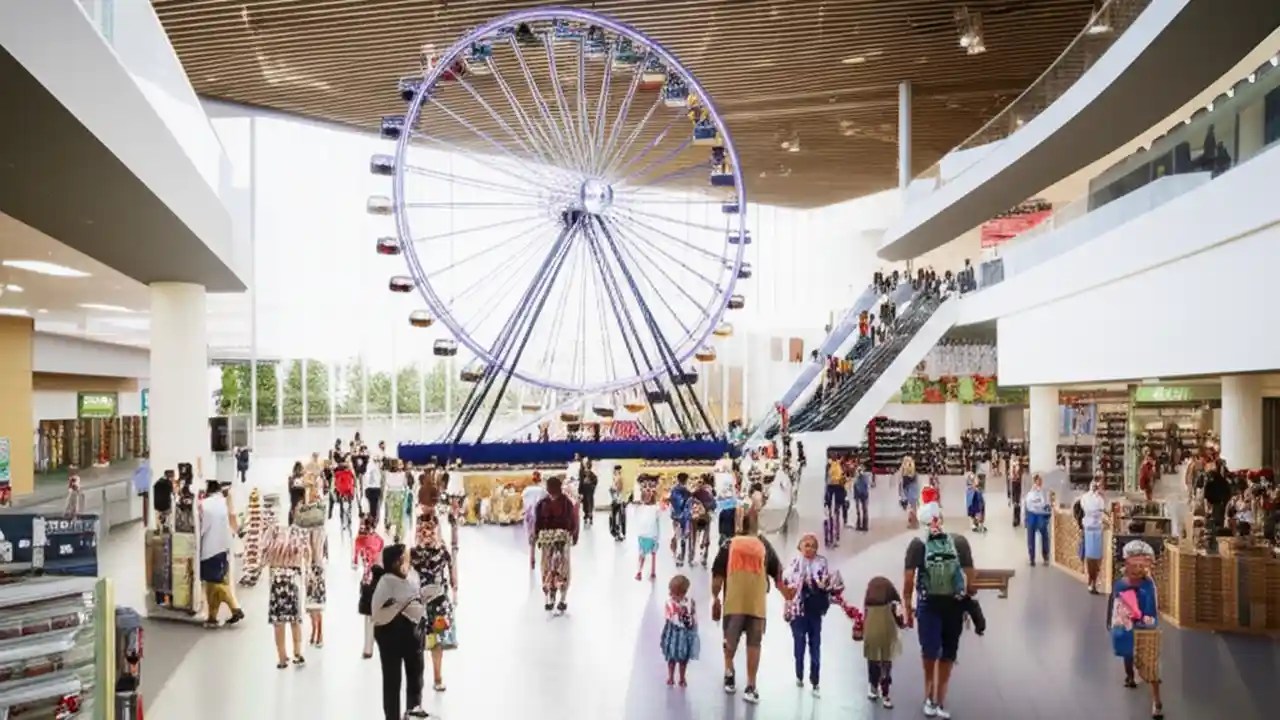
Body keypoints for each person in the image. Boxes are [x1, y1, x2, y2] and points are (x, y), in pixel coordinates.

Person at [902, 502, 975, 720]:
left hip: (928, 604)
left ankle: (928, 697)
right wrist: (967, 598)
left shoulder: (917, 544)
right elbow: (971, 580)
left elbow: (908, 582)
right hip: (953, 604)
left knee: (930, 652)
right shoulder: (959, 542)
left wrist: (907, 608)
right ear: (941, 519)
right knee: (948, 653)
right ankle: (941, 700)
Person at [711, 516, 794, 705]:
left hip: (734, 602)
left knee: (730, 642)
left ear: (740, 525)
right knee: (754, 644)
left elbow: (718, 575)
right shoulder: (764, 545)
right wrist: (788, 595)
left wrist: (715, 597)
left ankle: (729, 671)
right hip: (757, 605)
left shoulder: (729, 544)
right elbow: (778, 575)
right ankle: (751, 686)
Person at [370, 544, 431, 720]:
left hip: (413, 633)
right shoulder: (386, 582)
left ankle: (413, 711)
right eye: (405, 556)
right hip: (391, 636)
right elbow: (376, 612)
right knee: (392, 681)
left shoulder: (413, 575)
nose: (409, 558)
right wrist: (400, 605)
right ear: (397, 562)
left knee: (416, 676)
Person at [783, 532, 843, 698]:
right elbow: (787, 583)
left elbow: (828, 583)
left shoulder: (821, 563)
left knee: (815, 645)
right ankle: (799, 673)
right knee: (799, 644)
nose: (809, 549)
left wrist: (824, 585)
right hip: (798, 611)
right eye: (806, 545)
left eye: (813, 545)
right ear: (800, 546)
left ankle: (815, 679)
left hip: (814, 611)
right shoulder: (794, 563)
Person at [1109, 540, 1163, 719]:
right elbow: (1153, 607)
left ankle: (1131, 678)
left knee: (1130, 654)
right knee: (1150, 662)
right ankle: (1155, 700)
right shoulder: (1148, 585)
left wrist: (1113, 623)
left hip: (1130, 625)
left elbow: (1116, 606)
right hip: (1145, 625)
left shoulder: (1123, 583)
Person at [410, 513, 457, 693]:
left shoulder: (442, 552)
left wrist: (455, 591)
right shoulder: (413, 553)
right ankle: (417, 679)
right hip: (419, 602)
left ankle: (438, 677)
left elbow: (452, 572)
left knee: (437, 642)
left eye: (430, 529)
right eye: (423, 529)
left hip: (438, 601)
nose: (426, 533)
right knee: (417, 643)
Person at [198, 480, 244, 628]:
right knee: (212, 586)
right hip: (223, 548)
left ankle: (235, 608)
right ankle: (212, 617)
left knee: (214, 583)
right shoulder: (222, 503)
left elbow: (202, 528)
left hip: (209, 549)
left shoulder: (205, 505)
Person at [533, 476, 579, 613]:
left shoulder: (561, 503)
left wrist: (536, 536)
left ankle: (561, 598)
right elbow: (573, 521)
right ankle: (552, 598)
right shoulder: (544, 503)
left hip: (560, 539)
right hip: (551, 540)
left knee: (557, 568)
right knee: (551, 569)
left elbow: (572, 521)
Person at [862, 575, 905, 708]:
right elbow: (899, 616)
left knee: (872, 659)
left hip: (871, 634)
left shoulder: (868, 603)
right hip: (887, 634)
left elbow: (863, 616)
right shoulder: (891, 603)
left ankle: (873, 687)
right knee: (886, 662)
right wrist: (902, 624)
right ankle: (885, 693)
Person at [353, 515, 385, 660]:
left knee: (368, 617)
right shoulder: (379, 540)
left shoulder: (359, 541)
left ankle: (368, 648)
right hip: (380, 580)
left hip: (367, 580)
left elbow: (354, 563)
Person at [660, 574, 700, 687]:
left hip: (685, 633)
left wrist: (692, 624)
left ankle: (682, 677)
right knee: (671, 657)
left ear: (683, 593)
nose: (672, 595)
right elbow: (669, 617)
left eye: (675, 593)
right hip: (673, 632)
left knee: (683, 658)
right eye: (671, 592)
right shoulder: (669, 603)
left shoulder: (690, 603)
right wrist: (677, 613)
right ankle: (671, 676)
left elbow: (693, 616)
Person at [1080, 479, 1109, 593]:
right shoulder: (1091, 499)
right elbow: (1095, 511)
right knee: (1092, 557)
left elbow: (1101, 512)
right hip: (1092, 529)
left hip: (1095, 529)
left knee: (1095, 557)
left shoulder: (1097, 499)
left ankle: (1093, 581)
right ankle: (1092, 581)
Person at [634, 479, 661, 581]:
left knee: (642, 554)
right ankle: (652, 572)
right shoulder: (656, 508)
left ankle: (639, 571)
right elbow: (657, 520)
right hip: (652, 535)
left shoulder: (640, 508)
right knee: (653, 553)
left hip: (642, 535)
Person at [1023, 474, 1052, 566]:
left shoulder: (1043, 492)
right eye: (1038, 481)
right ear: (1035, 482)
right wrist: (1025, 518)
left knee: (1044, 535)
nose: (1039, 483)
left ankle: (1045, 555)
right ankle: (1032, 558)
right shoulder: (1030, 493)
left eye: (1040, 481)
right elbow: (1026, 505)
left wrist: (1047, 513)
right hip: (1032, 515)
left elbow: (1047, 504)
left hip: (1040, 515)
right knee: (1031, 536)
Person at [522, 471, 549, 568]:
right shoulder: (543, 491)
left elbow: (524, 504)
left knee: (532, 539)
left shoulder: (526, 490)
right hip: (540, 516)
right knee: (544, 540)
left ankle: (532, 559)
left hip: (530, 516)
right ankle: (544, 562)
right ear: (540, 479)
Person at [689, 475, 717, 566]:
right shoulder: (709, 492)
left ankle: (692, 554)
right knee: (707, 528)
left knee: (693, 534)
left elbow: (690, 503)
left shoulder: (695, 493)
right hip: (705, 518)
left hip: (696, 518)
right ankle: (705, 553)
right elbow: (714, 506)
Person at [669, 473, 694, 567]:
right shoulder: (687, 491)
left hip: (675, 516)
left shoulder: (674, 490)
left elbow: (672, 502)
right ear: (686, 480)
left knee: (676, 535)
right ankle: (681, 557)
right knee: (683, 537)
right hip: (684, 517)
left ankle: (676, 556)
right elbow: (689, 504)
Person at [383, 459, 409, 541]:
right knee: (399, 516)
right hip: (399, 495)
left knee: (389, 512)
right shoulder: (403, 474)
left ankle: (388, 526)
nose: (402, 465)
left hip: (390, 494)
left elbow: (386, 484)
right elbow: (405, 485)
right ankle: (397, 534)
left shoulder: (387, 474)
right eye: (400, 464)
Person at [824, 456, 846, 541]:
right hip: (836, 488)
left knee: (833, 513)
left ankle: (834, 535)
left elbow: (827, 480)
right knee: (835, 513)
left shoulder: (832, 465)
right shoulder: (838, 465)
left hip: (834, 488)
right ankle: (835, 535)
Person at [334, 459, 356, 531]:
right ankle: (349, 517)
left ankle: (342, 520)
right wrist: (354, 486)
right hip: (349, 491)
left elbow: (337, 484)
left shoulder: (338, 474)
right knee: (349, 505)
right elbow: (354, 480)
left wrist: (338, 490)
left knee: (342, 507)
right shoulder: (349, 473)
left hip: (342, 492)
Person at [899, 456, 920, 528]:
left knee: (912, 508)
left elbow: (903, 486)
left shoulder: (905, 475)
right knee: (913, 507)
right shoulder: (913, 474)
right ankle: (914, 522)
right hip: (912, 491)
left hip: (910, 491)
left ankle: (913, 523)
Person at [365, 454, 385, 525]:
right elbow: (368, 478)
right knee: (374, 507)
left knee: (374, 507)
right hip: (373, 489)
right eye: (377, 460)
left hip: (373, 489)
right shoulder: (374, 467)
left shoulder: (375, 468)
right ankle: (373, 522)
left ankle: (373, 521)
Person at [608, 466, 627, 541]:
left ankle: (619, 534)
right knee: (614, 518)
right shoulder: (615, 478)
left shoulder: (620, 478)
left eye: (618, 471)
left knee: (618, 518)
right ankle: (617, 533)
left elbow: (619, 489)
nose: (616, 472)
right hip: (615, 500)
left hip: (619, 501)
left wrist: (613, 489)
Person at [577, 458, 598, 527]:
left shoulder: (591, 473)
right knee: (585, 503)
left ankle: (590, 516)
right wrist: (580, 492)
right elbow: (581, 482)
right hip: (584, 489)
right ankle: (586, 516)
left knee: (590, 502)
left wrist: (592, 485)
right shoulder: (581, 472)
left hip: (589, 489)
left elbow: (595, 480)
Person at [852, 461, 871, 532]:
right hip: (859, 494)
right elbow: (854, 486)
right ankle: (859, 525)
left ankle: (864, 526)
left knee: (864, 510)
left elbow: (866, 486)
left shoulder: (865, 477)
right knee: (859, 511)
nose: (859, 471)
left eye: (861, 470)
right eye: (858, 470)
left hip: (863, 495)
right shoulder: (857, 477)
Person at [287, 461, 306, 525]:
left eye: (299, 469)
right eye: (297, 469)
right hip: (296, 499)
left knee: (295, 510)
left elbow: (290, 490)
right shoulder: (292, 478)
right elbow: (290, 489)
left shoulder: (303, 477)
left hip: (298, 499)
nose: (298, 471)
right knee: (294, 510)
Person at [1008, 458, 1024, 527]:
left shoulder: (1019, 469)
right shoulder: (1013, 470)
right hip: (1015, 485)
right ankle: (1016, 519)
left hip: (1018, 485)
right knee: (1016, 503)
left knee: (1017, 503)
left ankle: (1017, 519)